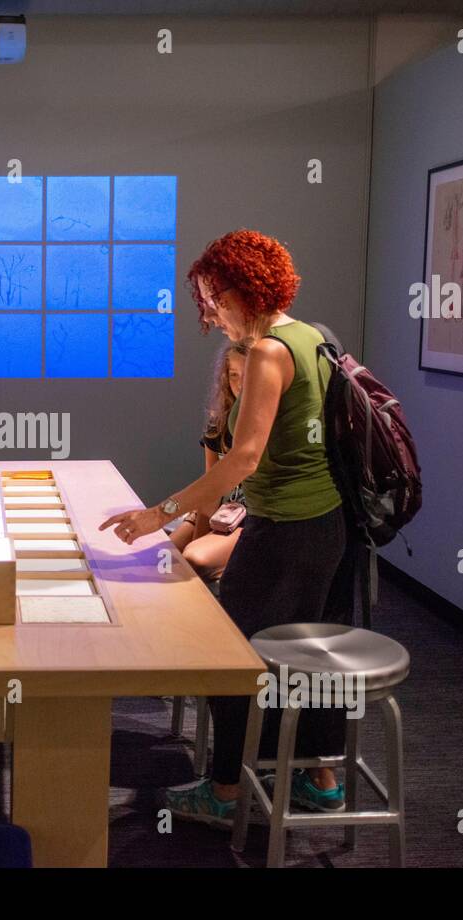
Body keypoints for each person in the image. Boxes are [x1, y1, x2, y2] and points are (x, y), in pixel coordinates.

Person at [100, 229, 349, 827]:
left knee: (227, 656)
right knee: (301, 655)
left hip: (285, 532)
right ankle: (320, 778)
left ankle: (226, 791)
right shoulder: (313, 336)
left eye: (215, 297)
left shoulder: (266, 352)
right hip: (326, 528)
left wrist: (157, 515)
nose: (209, 311)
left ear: (247, 289)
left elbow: (243, 459)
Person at [168, 339, 251, 582]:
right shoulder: (218, 423)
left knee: (195, 558)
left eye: (247, 375)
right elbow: (210, 489)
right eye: (233, 375)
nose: (239, 384)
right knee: (164, 556)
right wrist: (198, 534)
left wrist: (196, 546)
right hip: (219, 512)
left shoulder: (271, 424)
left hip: (250, 519)